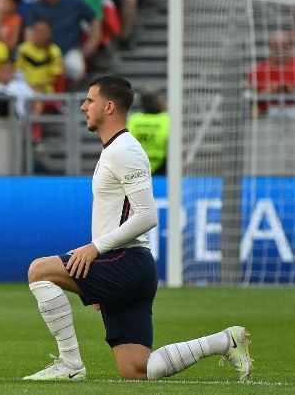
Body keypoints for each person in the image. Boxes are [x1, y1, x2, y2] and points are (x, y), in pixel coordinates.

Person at [23, 75, 252, 382]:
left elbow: (147, 216)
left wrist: (95, 250)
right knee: (136, 371)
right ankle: (224, 340)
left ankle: (70, 364)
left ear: (108, 106)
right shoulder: (115, 149)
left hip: (124, 263)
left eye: (89, 100)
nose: (83, 107)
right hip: (127, 267)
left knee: (39, 270)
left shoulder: (125, 151)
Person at [24, 0, 100, 84]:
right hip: (43, 51)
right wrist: (31, 51)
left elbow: (94, 20)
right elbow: (29, 30)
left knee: (75, 69)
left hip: (68, 50)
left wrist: (92, 43)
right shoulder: (35, 6)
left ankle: (69, 96)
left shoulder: (75, 3)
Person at [127, 90, 168, 175]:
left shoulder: (134, 119)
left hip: (137, 167)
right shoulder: (166, 119)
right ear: (157, 102)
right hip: (162, 168)